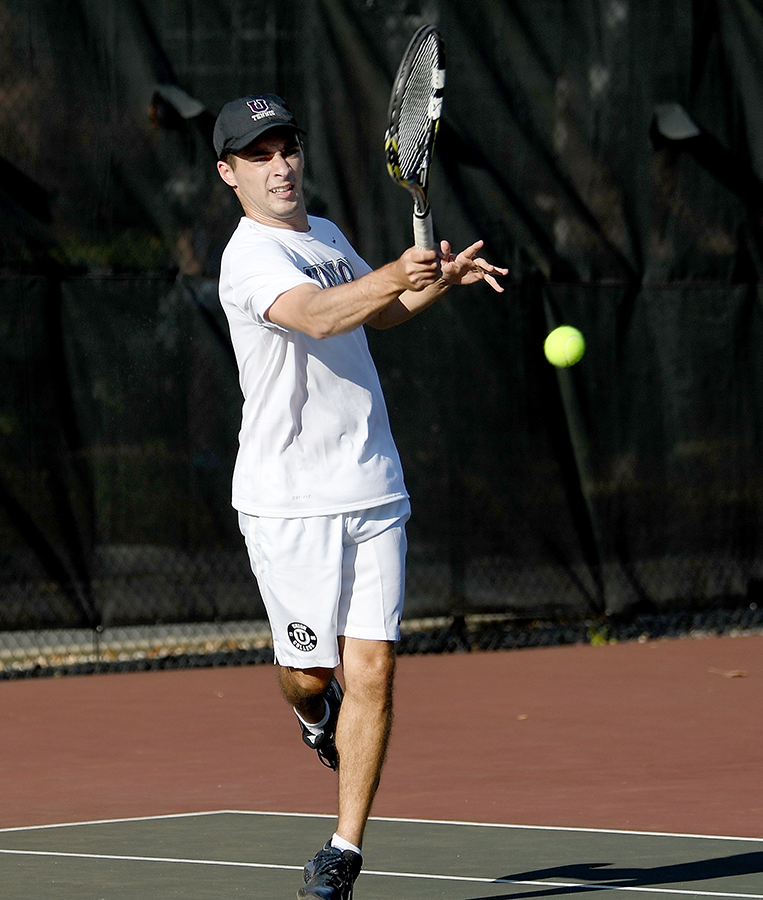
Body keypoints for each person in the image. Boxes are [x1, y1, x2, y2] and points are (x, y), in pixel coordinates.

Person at [211, 93, 505, 900]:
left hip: (372, 483)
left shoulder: (330, 236)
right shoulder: (248, 259)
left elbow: (383, 313)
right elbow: (315, 317)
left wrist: (434, 282)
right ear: (228, 172)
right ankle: (312, 713)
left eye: (288, 148)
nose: (281, 165)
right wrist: (385, 278)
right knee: (313, 674)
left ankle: (342, 853)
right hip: (288, 502)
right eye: (260, 154)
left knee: (372, 668)